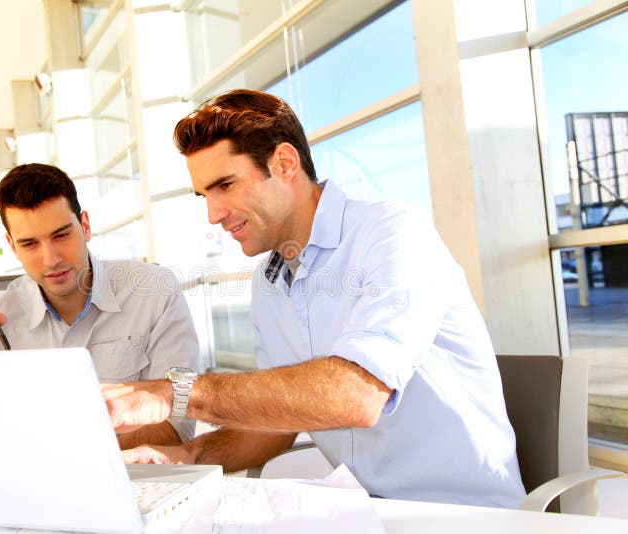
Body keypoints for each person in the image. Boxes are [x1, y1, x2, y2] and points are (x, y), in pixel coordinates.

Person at [102, 89, 526, 508]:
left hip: (461, 515)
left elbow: (356, 395)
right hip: (366, 510)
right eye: (204, 195)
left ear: (284, 163)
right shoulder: (269, 282)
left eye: (225, 185)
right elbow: (275, 424)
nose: (213, 213)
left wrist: (174, 393)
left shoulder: (391, 234)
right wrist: (189, 455)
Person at [0, 163, 200, 453]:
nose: (50, 259)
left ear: (85, 226)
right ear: (12, 246)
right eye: (29, 243)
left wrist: (39, 450)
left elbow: (176, 426)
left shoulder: (153, 292)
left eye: (61, 235)